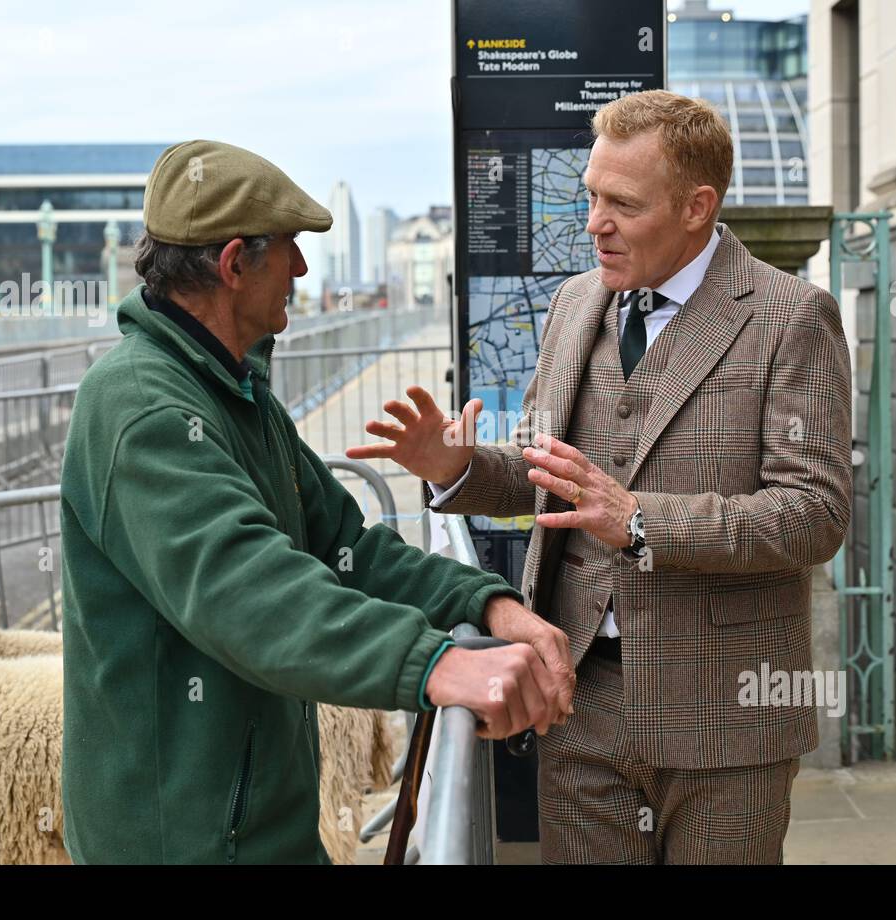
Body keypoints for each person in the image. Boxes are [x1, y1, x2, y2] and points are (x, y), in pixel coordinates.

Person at [349, 91, 852, 864]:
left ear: (697, 207)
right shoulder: (574, 303)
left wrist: (642, 520)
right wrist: (456, 469)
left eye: (623, 203)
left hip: (725, 718)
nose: (594, 223)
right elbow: (548, 474)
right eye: (590, 195)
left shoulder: (791, 316)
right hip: (579, 701)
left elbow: (814, 514)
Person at [60, 140, 574, 864]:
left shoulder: (235, 393)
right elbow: (246, 589)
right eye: (291, 251)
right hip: (179, 839)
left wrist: (487, 606)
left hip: (257, 823)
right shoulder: (142, 408)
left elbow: (347, 548)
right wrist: (435, 665)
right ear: (236, 264)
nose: (304, 271)